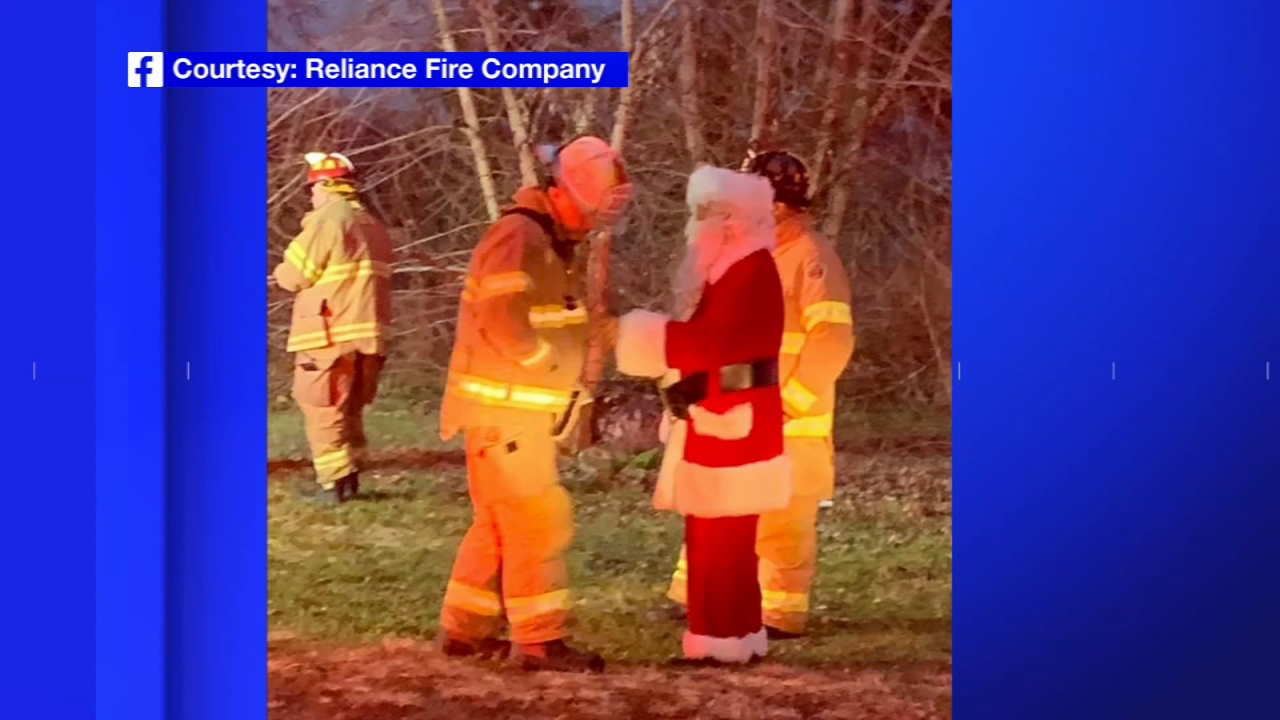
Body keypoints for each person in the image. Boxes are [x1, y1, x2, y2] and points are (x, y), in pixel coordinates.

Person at [436, 135, 632, 672]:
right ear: (567, 193)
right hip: (506, 414)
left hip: (509, 416)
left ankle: (465, 630)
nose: (594, 225)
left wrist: (619, 334)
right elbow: (504, 321)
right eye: (593, 212)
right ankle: (539, 640)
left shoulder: (546, 242)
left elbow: (563, 318)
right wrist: (548, 364)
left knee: (497, 524)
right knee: (536, 521)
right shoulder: (520, 237)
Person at [664, 149, 856, 638]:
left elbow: (832, 339)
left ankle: (779, 611)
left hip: (791, 419)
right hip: (740, 411)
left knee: (783, 517)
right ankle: (696, 597)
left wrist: (792, 403)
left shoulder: (810, 257)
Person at [615, 164, 791, 664]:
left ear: (732, 221)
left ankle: (720, 643)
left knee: (718, 539)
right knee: (724, 538)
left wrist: (642, 334)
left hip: (732, 420)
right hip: (730, 413)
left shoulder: (747, 271)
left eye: (705, 214)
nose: (695, 226)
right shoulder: (738, 268)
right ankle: (734, 636)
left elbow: (714, 346)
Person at [273, 151, 393, 505]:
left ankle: (332, 485)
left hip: (328, 334)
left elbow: (293, 276)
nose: (311, 196)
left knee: (322, 407)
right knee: (350, 408)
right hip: (368, 335)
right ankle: (350, 476)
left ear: (327, 185)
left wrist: (280, 272)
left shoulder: (328, 220)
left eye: (313, 188)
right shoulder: (373, 225)